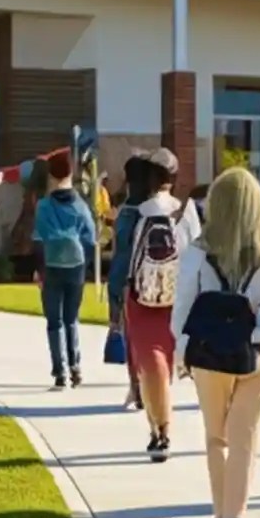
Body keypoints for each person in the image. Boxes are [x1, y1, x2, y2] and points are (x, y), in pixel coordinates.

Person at [172, 167, 260, 518]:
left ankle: (220, 514)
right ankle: (235, 517)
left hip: (208, 355)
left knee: (216, 437)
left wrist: (181, 352)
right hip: (256, 353)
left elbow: (182, 306)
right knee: (245, 437)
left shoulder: (198, 251)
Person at [125, 148, 201, 462]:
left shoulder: (134, 212)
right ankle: (163, 424)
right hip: (180, 297)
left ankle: (160, 431)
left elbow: (123, 262)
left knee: (151, 365)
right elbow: (198, 255)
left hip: (142, 300)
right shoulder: (188, 211)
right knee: (171, 362)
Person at [33, 151, 97, 391]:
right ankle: (76, 367)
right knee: (71, 319)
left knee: (54, 321)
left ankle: (59, 372)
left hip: (51, 265)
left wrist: (39, 270)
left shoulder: (44, 207)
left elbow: (38, 240)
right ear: (71, 173)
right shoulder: (80, 206)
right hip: (76, 265)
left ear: (51, 175)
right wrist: (86, 266)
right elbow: (90, 239)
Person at [109, 154, 153, 410]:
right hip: (152, 279)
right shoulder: (156, 209)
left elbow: (120, 248)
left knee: (130, 336)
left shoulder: (126, 211)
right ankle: (147, 384)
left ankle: (135, 385)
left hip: (125, 278)